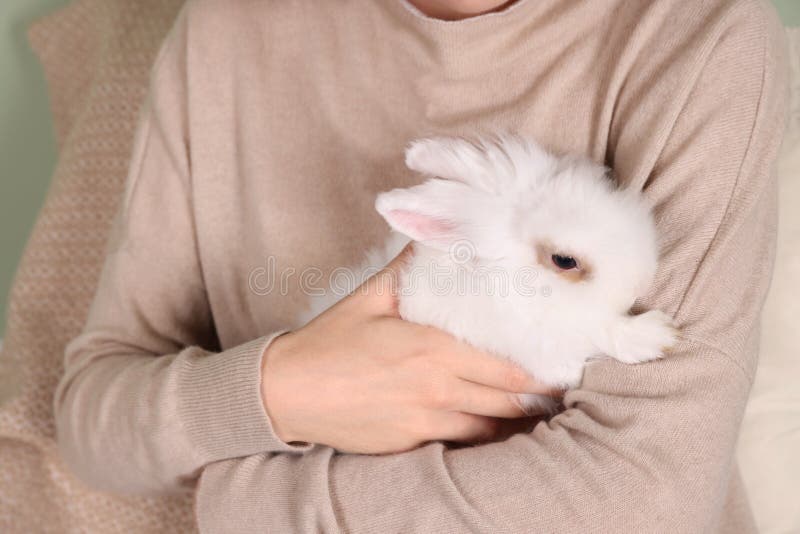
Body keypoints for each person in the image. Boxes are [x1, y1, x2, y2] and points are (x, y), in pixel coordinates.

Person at [53, 0, 788, 532]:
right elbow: (92, 416)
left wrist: (245, 504)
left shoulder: (695, 32)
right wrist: (284, 388)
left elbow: (646, 497)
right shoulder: (227, 28)